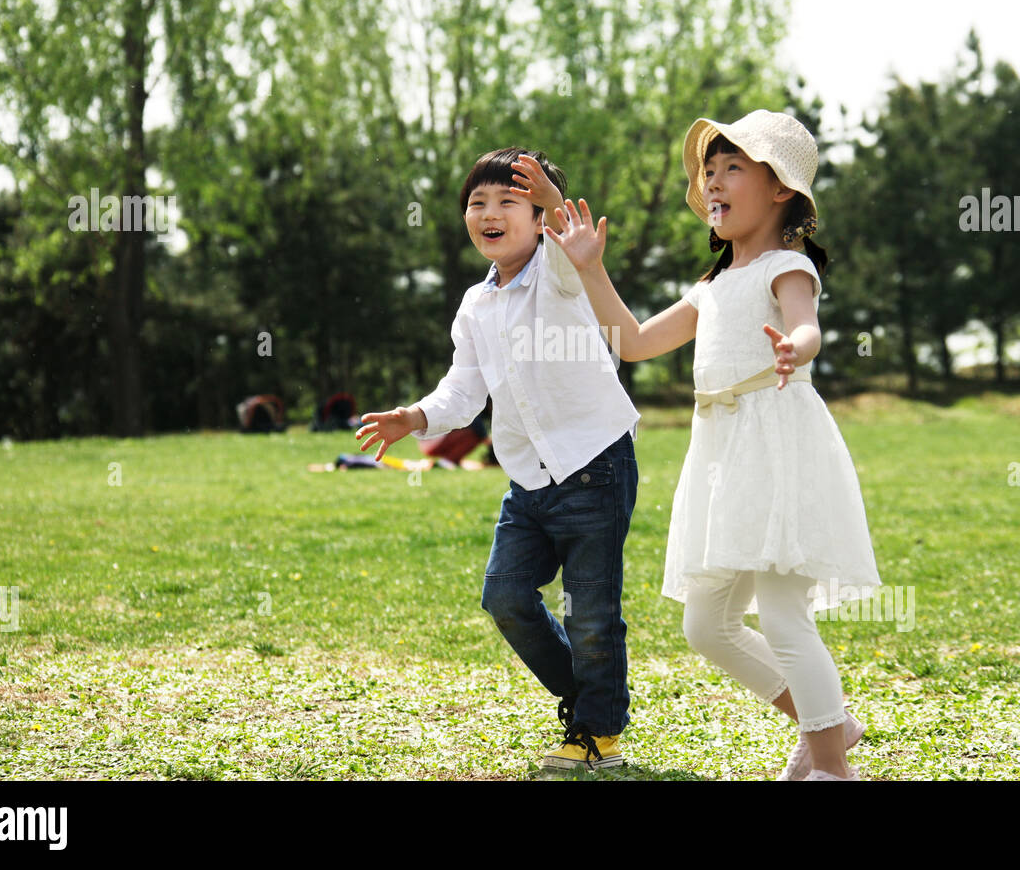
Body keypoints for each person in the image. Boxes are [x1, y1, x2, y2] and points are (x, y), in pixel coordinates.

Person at [544, 110, 881, 781]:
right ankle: (831, 728)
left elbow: (809, 328)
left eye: (733, 167)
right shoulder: (714, 285)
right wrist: (589, 269)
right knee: (706, 626)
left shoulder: (787, 267)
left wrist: (797, 347)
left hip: (781, 447)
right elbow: (634, 342)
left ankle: (833, 770)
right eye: (710, 169)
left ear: (781, 189)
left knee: (785, 615)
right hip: (724, 458)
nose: (714, 181)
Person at [355, 148, 641, 771]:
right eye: (477, 203)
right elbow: (463, 391)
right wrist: (414, 417)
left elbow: (574, 246)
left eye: (509, 200)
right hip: (528, 480)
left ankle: (598, 732)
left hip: (595, 465)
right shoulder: (475, 304)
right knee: (505, 595)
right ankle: (594, 701)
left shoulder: (561, 272)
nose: (489, 212)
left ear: (539, 217)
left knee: (591, 611)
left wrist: (554, 201)